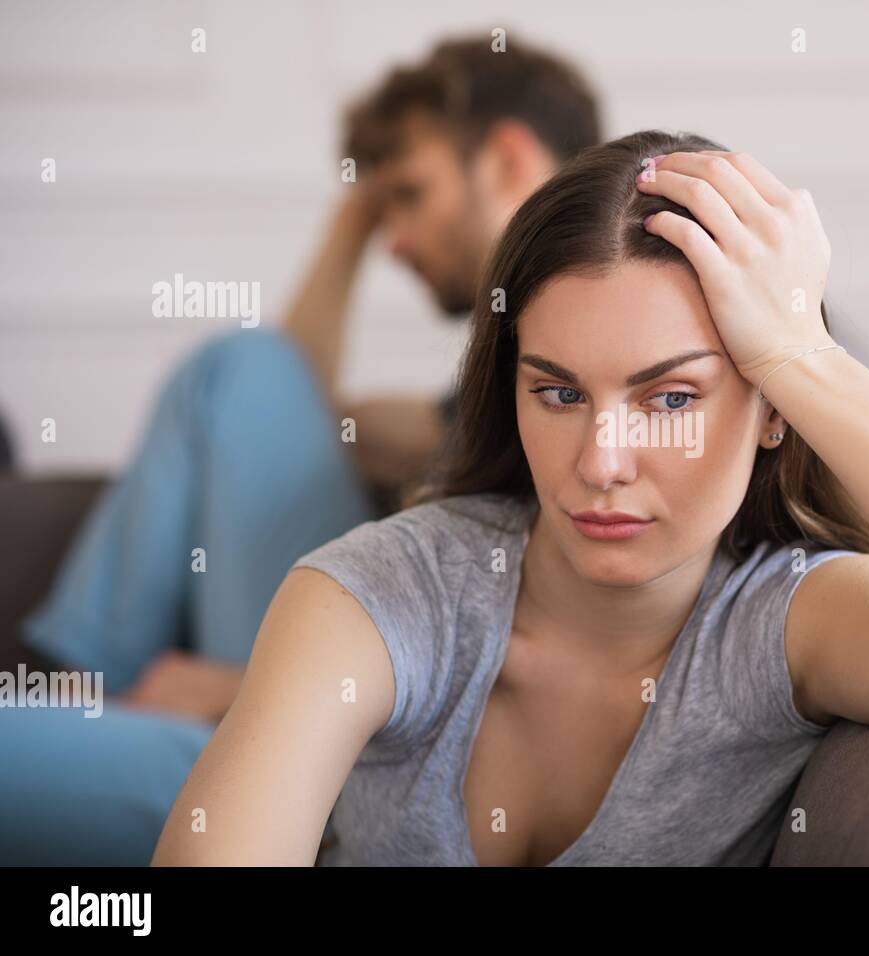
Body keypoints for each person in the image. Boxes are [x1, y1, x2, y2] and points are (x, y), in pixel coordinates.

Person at [151, 130, 869, 867]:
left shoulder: (781, 626)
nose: (603, 461)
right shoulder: (380, 595)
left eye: (670, 396)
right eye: (559, 391)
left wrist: (799, 350)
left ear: (768, 410)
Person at [0, 34, 602, 866]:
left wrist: (244, 691)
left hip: (372, 750)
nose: (396, 239)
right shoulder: (502, 394)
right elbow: (302, 404)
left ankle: (92, 709)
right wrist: (352, 218)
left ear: (505, 159)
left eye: (410, 195)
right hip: (321, 693)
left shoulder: (613, 379)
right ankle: (83, 692)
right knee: (241, 367)